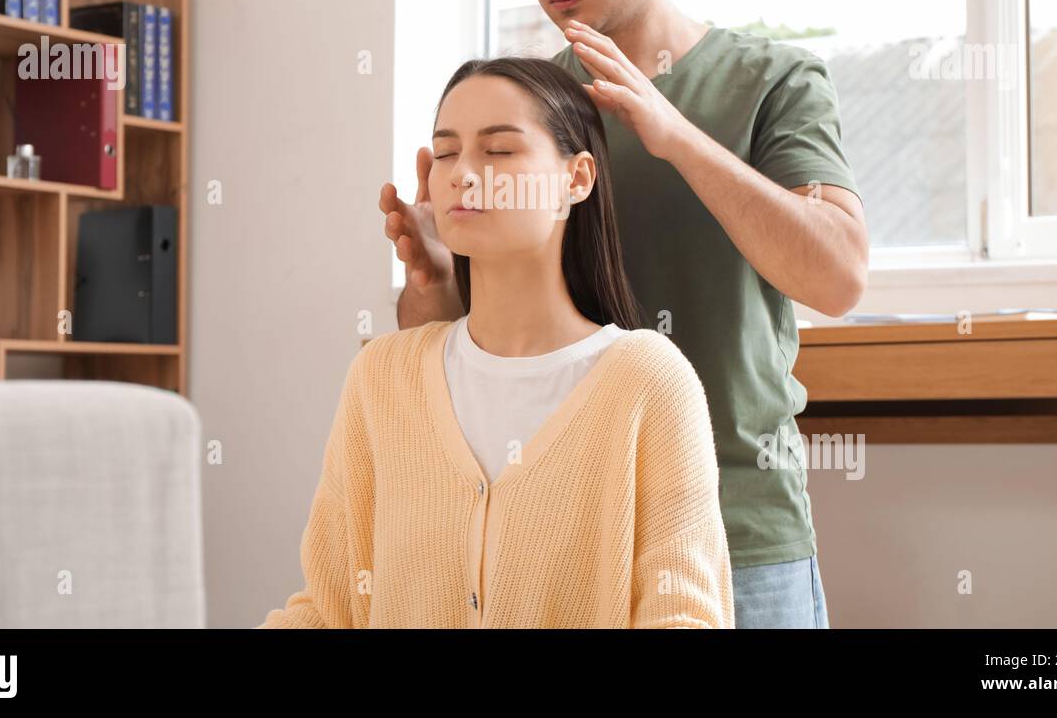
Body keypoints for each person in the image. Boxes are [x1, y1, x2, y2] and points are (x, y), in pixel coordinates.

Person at [383, 0, 868, 628]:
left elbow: (839, 277)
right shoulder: (529, 111)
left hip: (738, 533)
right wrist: (433, 278)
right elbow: (471, 350)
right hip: (570, 536)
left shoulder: (772, 80)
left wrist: (670, 132)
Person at [262, 56, 734, 628]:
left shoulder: (648, 382)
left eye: (499, 151)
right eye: (445, 153)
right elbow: (330, 608)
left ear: (577, 178)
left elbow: (681, 616)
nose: (463, 172)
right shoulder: (382, 375)